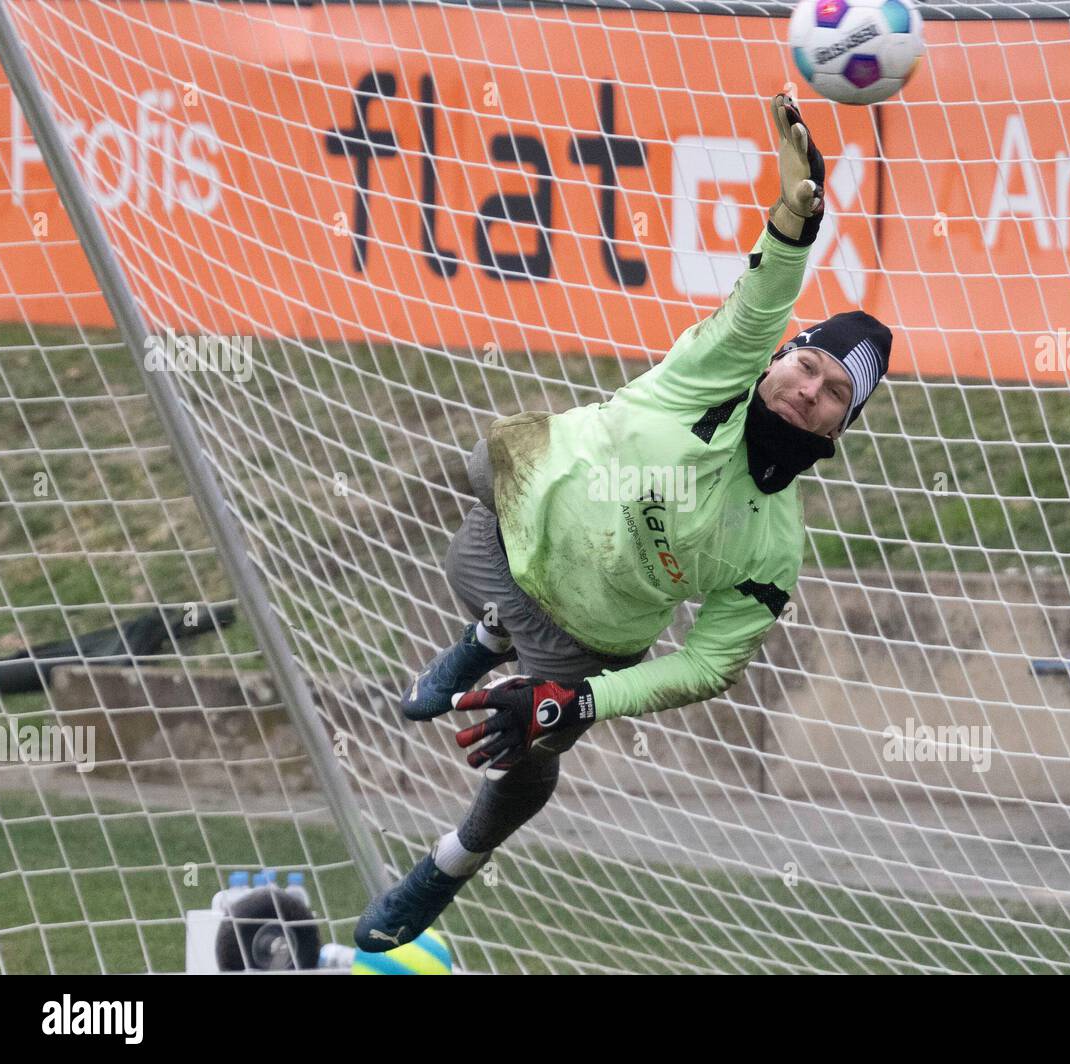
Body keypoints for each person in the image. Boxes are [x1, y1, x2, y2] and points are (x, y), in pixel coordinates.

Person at [355, 93, 893, 952]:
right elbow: (762, 296)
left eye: (835, 395)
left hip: (584, 629)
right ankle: (491, 631)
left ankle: (444, 869)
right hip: (518, 507)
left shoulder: (771, 549)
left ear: (837, 427)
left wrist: (578, 697)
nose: (808, 389)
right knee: (477, 476)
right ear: (781, 357)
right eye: (808, 365)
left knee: (528, 765)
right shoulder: (721, 368)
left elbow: (710, 664)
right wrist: (794, 221)